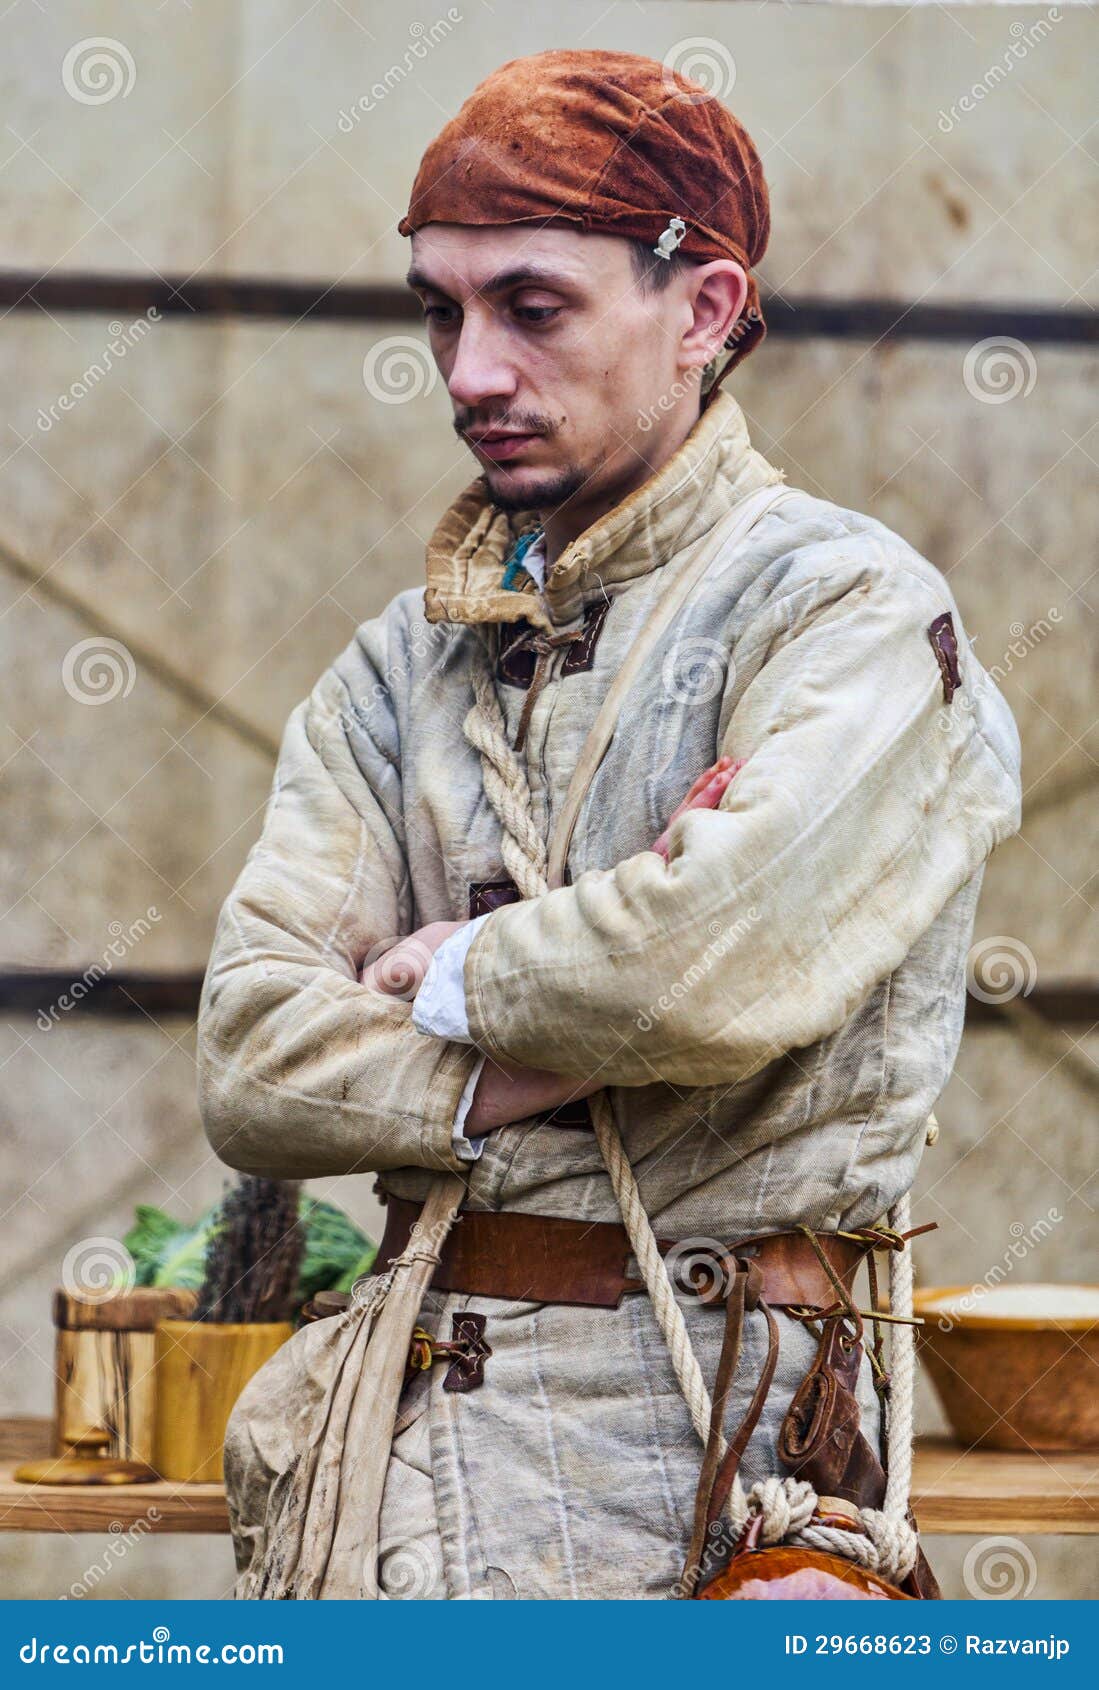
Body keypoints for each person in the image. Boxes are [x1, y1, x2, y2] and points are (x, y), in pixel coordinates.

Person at [198, 49, 1022, 1600]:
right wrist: (575, 1024)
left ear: (704, 310)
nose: (468, 372)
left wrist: (447, 971)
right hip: (391, 1486)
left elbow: (700, 967)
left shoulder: (850, 615)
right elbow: (249, 1059)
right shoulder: (401, 667)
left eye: (532, 305)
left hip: (719, 1463)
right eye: (440, 311)